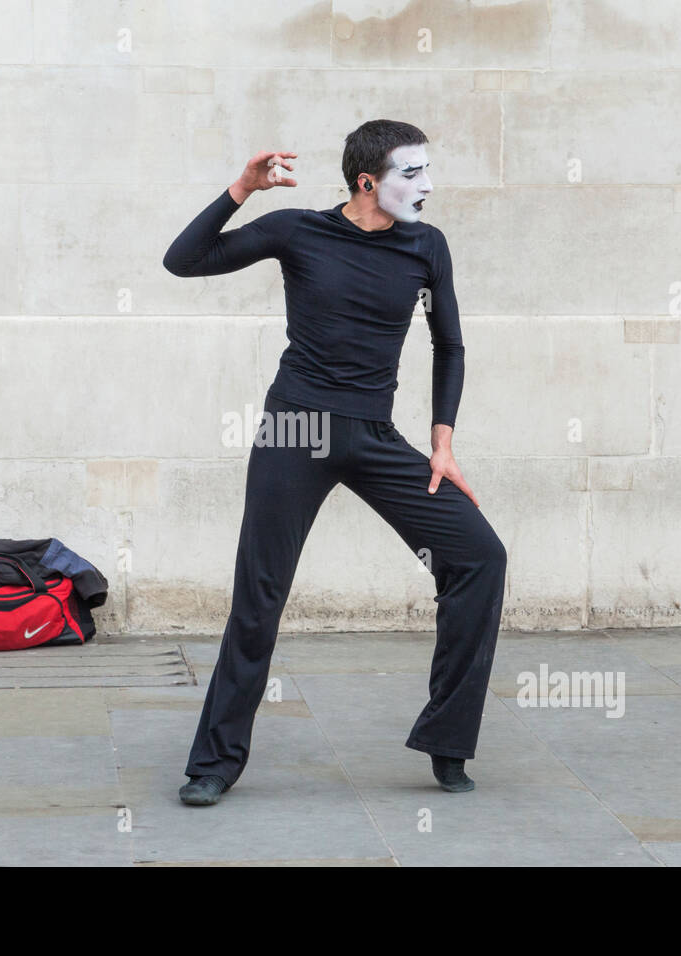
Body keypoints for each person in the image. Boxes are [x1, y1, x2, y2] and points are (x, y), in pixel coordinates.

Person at [162, 119, 507, 806]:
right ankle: (215, 762)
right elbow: (184, 260)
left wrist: (442, 442)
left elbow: (451, 347)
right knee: (259, 598)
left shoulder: (425, 246)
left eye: (428, 170)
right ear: (367, 180)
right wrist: (240, 190)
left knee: (479, 557)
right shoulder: (297, 231)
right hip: (296, 428)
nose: (427, 185)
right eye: (413, 172)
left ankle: (447, 739)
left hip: (374, 436)